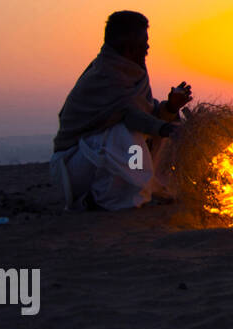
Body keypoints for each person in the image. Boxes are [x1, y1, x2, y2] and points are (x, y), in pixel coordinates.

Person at [50, 11, 193, 211]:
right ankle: (100, 199)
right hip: (73, 168)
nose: (147, 47)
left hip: (96, 164)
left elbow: (147, 115)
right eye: (144, 40)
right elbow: (130, 116)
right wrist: (165, 128)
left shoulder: (133, 74)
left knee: (169, 130)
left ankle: (148, 187)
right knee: (123, 134)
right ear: (129, 45)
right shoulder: (104, 76)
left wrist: (171, 107)